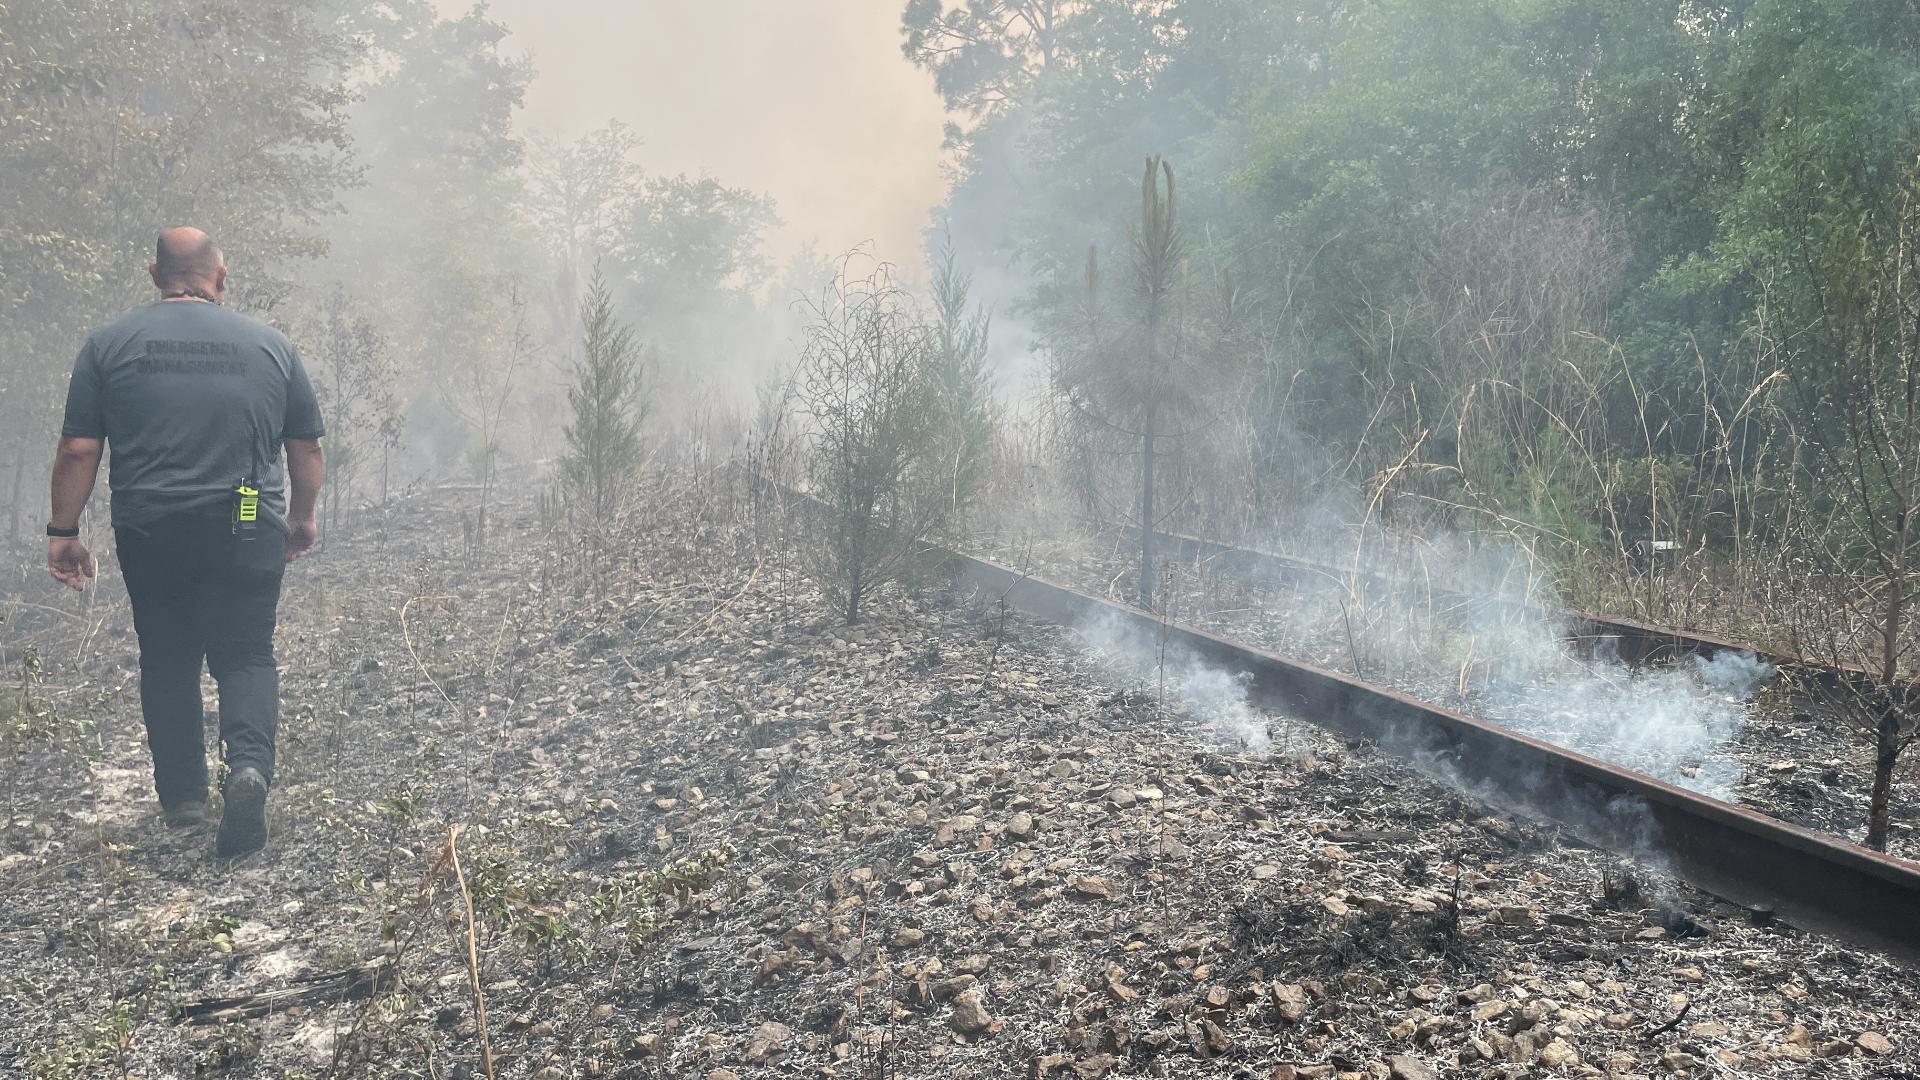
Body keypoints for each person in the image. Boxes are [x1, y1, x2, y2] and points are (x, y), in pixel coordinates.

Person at [46, 227, 326, 859]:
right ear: (219, 278)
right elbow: (304, 446)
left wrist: (63, 530)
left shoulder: (108, 345)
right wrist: (302, 517)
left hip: (153, 519)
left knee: (168, 656)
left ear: (155, 276)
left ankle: (185, 802)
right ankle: (249, 770)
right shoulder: (270, 345)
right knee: (246, 652)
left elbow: (79, 447)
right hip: (247, 510)